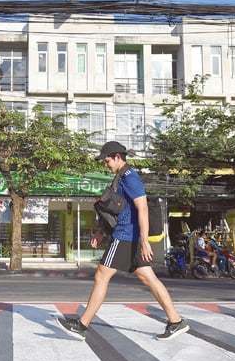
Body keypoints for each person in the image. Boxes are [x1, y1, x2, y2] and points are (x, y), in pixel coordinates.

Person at [58, 141, 189, 341]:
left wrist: (144, 241)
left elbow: (142, 208)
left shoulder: (130, 178)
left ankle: (82, 325)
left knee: (101, 275)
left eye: (107, 160)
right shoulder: (120, 178)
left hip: (126, 236)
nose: (105, 164)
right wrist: (101, 232)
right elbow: (116, 209)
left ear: (117, 157)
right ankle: (175, 321)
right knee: (148, 278)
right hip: (128, 236)